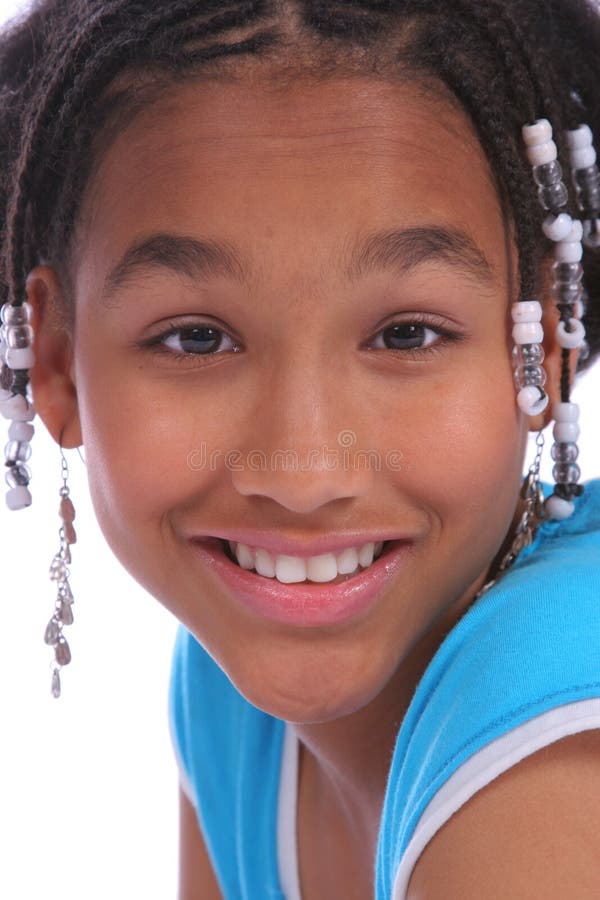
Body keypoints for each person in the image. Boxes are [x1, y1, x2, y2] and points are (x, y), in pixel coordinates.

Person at [0, 0, 599, 897]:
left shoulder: (553, 757)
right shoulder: (225, 693)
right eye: (196, 339)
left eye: (406, 335)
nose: (306, 474)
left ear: (545, 345)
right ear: (57, 365)